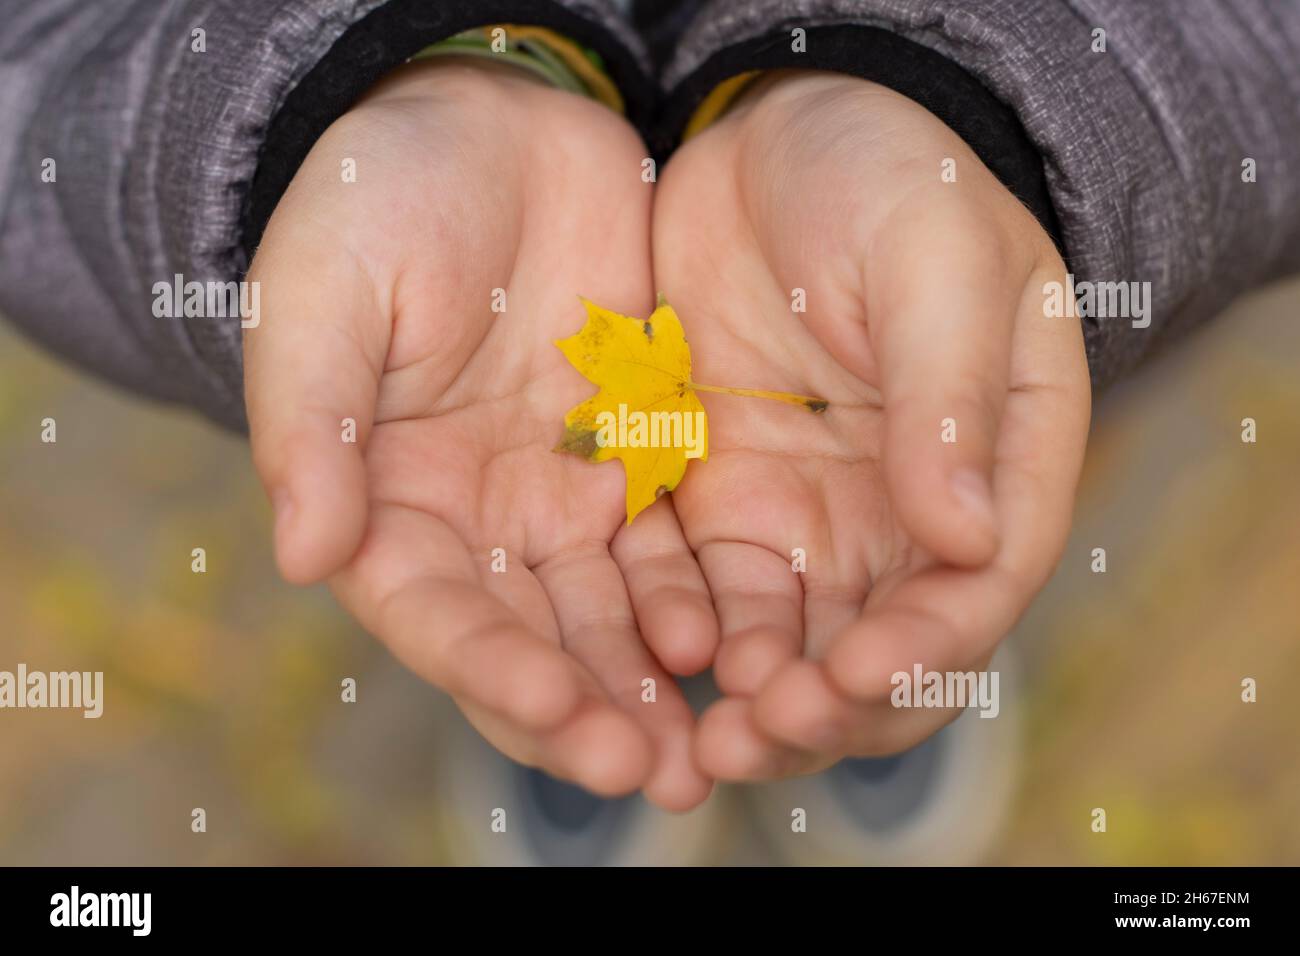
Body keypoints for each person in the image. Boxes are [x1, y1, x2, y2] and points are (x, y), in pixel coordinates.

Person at [3, 1, 1297, 863]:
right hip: (495, 354)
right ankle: (596, 679)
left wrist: (982, 119)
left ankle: (878, 622)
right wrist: (325, 114)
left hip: (939, 288)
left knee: (967, 427)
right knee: (506, 533)